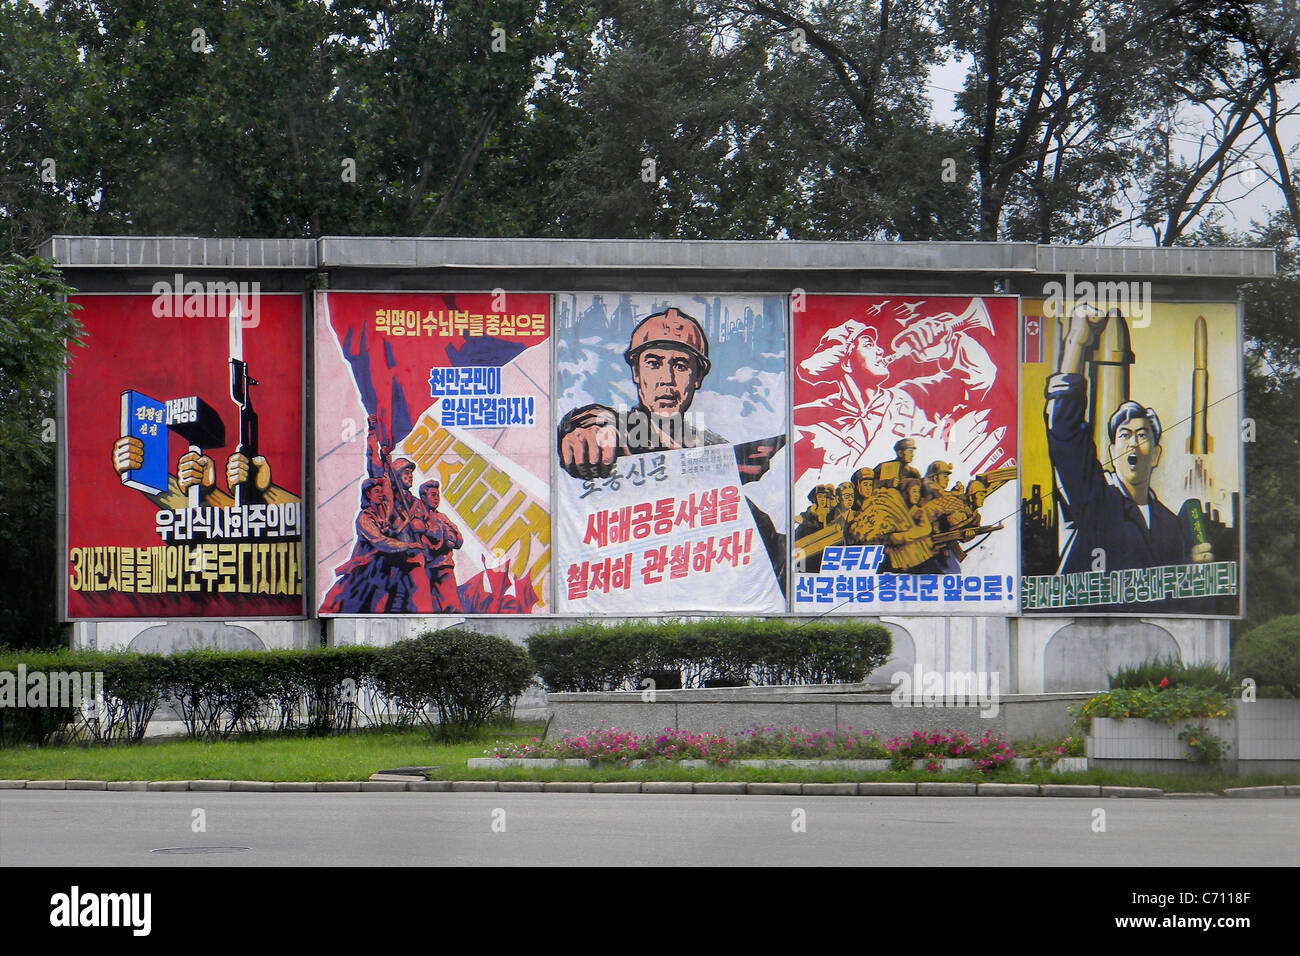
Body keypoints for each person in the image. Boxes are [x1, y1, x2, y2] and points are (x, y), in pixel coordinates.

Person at [1047, 304, 1212, 576]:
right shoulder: (1096, 501)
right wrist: (1077, 341)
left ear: (1156, 454)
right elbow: (1065, 431)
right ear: (1112, 452)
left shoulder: (1170, 525)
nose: (1133, 442)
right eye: (1124, 435)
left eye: (1142, 434)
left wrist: (1195, 569)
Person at [793, 299, 1001, 473]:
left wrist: (949, 346)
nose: (881, 351)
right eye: (868, 344)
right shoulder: (810, 419)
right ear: (846, 363)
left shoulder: (912, 396)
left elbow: (982, 376)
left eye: (876, 344)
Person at [557, 307, 725, 479]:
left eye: (680, 366)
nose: (667, 379)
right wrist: (589, 431)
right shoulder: (622, 433)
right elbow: (596, 420)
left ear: (698, 377)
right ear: (636, 372)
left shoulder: (712, 446)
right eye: (653, 364)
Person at [320, 478, 429, 613]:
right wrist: (407, 545)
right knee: (349, 599)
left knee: (383, 599)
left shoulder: (384, 510)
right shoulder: (364, 518)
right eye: (376, 491)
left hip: (382, 567)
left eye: (381, 491)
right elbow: (380, 541)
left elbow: (389, 497)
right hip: (365, 568)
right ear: (368, 494)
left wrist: (386, 469)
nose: (380, 494)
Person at [409, 479, 465, 612]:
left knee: (452, 608)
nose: (436, 498)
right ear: (423, 497)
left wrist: (446, 537)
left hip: (443, 567)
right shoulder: (418, 517)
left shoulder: (442, 517)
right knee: (428, 610)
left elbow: (458, 540)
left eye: (437, 495)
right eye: (433, 495)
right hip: (425, 568)